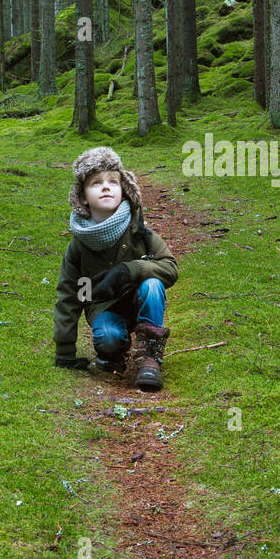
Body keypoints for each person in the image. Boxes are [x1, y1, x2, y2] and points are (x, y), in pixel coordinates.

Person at [52, 147, 178, 391]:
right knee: (108, 337)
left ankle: (150, 357)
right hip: (104, 308)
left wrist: (131, 270)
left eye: (113, 182)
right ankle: (114, 352)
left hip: (140, 300)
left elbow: (170, 268)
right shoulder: (79, 247)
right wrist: (65, 350)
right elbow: (70, 296)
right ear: (83, 197)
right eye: (96, 183)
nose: (106, 187)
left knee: (153, 284)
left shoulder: (139, 233)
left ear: (124, 190)